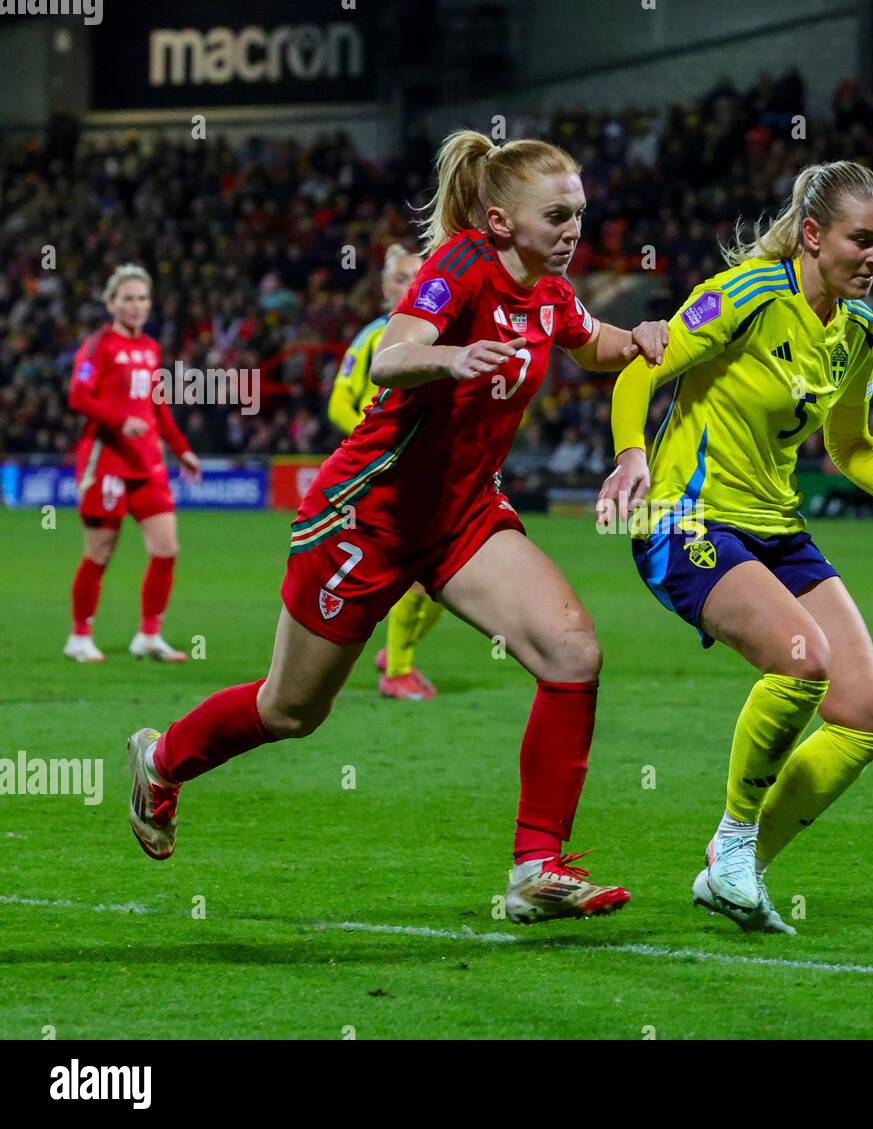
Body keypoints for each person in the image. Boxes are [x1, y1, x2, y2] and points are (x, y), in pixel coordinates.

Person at [126, 130, 668, 924]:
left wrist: (640, 342)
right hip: (367, 515)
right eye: (556, 215)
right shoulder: (460, 271)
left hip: (461, 517)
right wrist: (450, 360)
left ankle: (535, 867)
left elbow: (593, 345)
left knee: (572, 650)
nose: (573, 229)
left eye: (580, 212)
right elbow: (390, 355)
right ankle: (160, 760)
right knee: (291, 712)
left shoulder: (550, 289)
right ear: (499, 220)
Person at [598, 161, 873, 933]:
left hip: (778, 526)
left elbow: (853, 447)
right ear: (812, 234)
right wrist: (631, 451)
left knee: (866, 714)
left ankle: (734, 868)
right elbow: (644, 366)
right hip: (685, 518)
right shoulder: (746, 294)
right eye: (860, 239)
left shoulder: (857, 330)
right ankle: (733, 840)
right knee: (802, 658)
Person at [66, 264, 201, 663]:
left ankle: (148, 635)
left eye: (142, 298)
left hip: (147, 464)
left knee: (166, 548)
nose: (136, 305)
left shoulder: (150, 348)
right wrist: (120, 420)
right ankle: (79, 636)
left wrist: (181, 450)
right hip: (106, 460)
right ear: (111, 303)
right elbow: (79, 396)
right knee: (99, 553)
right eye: (127, 298)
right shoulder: (98, 345)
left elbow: (157, 406)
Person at [328, 243, 444, 700]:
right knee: (420, 573)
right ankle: (397, 670)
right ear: (383, 288)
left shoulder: (437, 336)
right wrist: (375, 437)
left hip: (430, 468)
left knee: (446, 577)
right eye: (400, 278)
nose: (409, 285)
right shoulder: (374, 336)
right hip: (386, 470)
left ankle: (398, 650)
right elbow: (339, 401)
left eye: (417, 277)